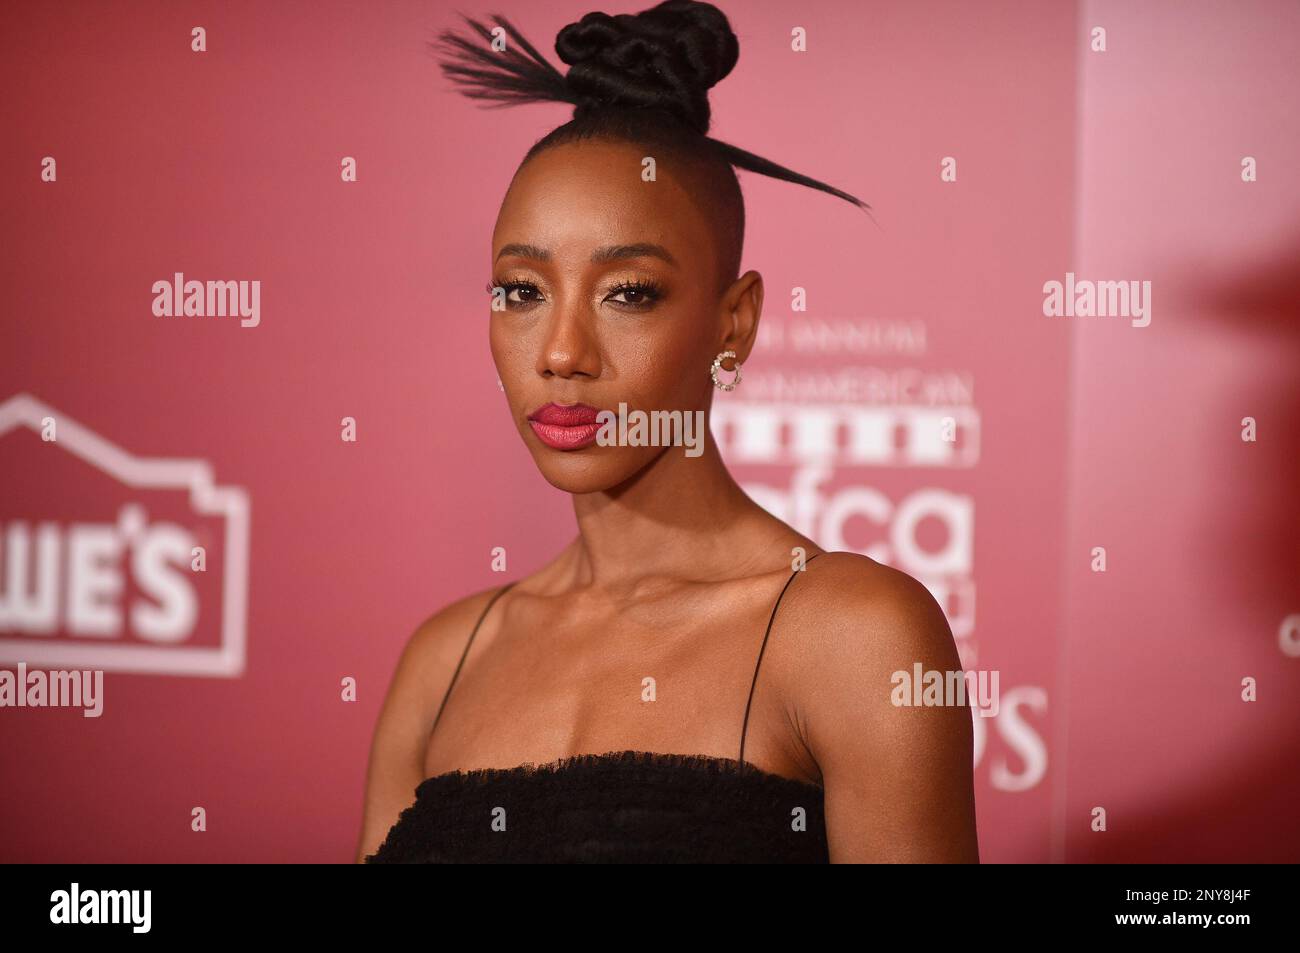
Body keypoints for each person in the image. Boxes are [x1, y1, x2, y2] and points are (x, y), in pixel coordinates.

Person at [358, 0, 979, 863]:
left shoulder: (855, 635)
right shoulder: (444, 659)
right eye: (522, 292)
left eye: (629, 293)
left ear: (735, 323)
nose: (563, 352)